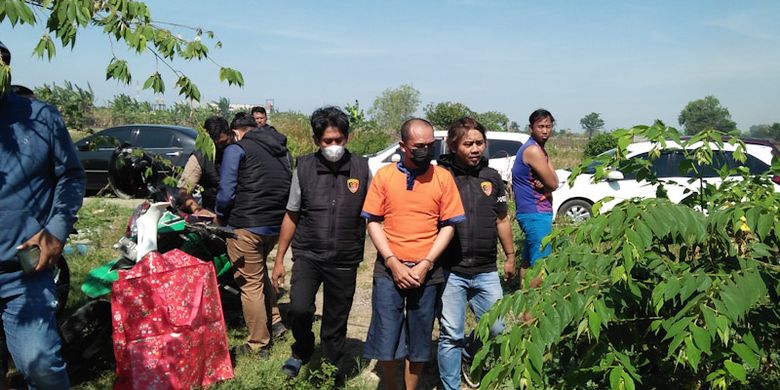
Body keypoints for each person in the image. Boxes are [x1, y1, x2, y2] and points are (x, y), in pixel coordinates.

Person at [0, 41, 85, 389]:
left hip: (24, 272)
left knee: (40, 365)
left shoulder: (39, 117)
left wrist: (56, 230)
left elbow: (71, 175)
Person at [361, 118, 465, 390]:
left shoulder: (442, 177)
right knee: (386, 336)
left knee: (419, 338)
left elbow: (449, 225)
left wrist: (426, 263)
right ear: (402, 145)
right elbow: (373, 221)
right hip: (389, 270)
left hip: (427, 272)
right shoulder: (385, 176)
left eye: (431, 145)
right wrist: (392, 261)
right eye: (419, 146)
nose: (426, 150)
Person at [270, 106, 371, 378]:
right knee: (299, 309)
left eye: (339, 140)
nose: (333, 146)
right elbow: (292, 214)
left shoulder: (362, 169)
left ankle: (330, 366)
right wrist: (279, 259)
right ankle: (302, 350)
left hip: (345, 257)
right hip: (309, 254)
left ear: (347, 138)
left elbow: (374, 215)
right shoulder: (304, 168)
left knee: (336, 318)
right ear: (316, 140)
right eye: (327, 141)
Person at [436, 117, 516, 389]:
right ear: (452, 145)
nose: (475, 149)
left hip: (486, 270)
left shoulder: (491, 177)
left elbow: (502, 219)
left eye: (479, 143)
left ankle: (468, 353)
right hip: (451, 270)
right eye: (468, 144)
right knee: (451, 334)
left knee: (496, 328)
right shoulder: (440, 176)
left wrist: (510, 256)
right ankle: (450, 385)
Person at [215, 114, 291, 357]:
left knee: (250, 284)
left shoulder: (236, 149)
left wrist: (219, 216)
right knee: (258, 274)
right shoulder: (281, 150)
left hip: (246, 226)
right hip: (275, 226)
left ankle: (258, 344)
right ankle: (276, 322)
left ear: (236, 131)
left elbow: (226, 193)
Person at [511, 109, 559, 273]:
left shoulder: (539, 148)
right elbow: (553, 183)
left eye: (548, 126)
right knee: (541, 265)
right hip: (535, 213)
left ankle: (523, 290)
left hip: (531, 213)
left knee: (528, 261)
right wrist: (547, 185)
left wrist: (546, 183)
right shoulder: (534, 150)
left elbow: (554, 179)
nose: (545, 131)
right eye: (540, 126)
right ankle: (537, 291)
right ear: (531, 127)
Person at [177, 116, 232, 215]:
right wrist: (197, 209)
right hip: (213, 212)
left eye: (223, 143)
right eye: (215, 144)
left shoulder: (238, 150)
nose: (219, 147)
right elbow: (184, 190)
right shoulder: (199, 157)